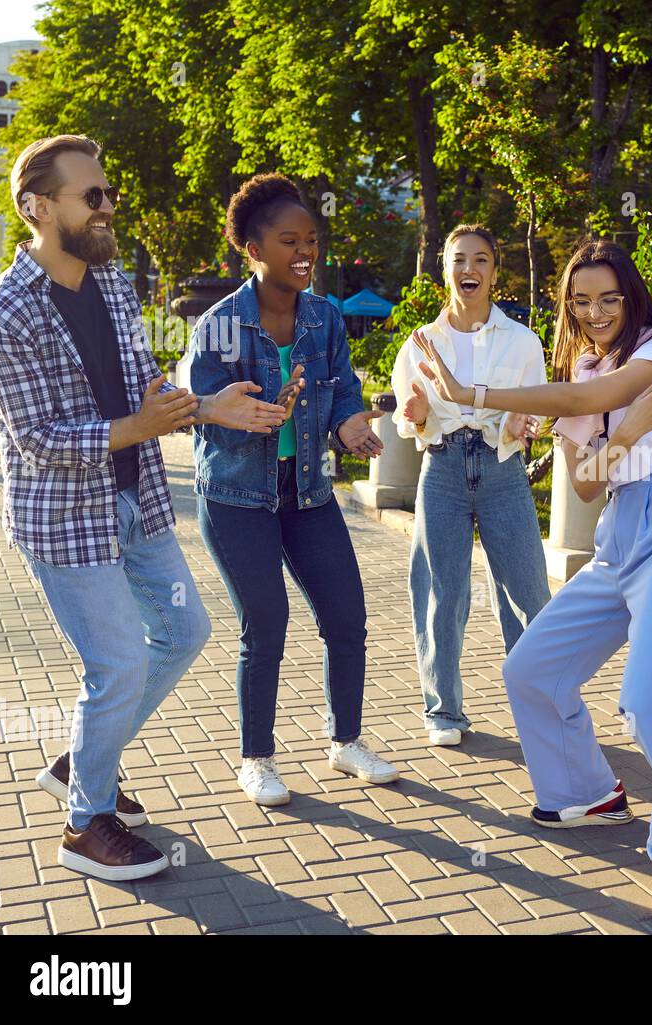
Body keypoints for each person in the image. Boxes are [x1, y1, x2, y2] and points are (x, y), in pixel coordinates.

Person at [0, 135, 291, 880]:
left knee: (185, 628)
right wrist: (138, 426)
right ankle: (85, 822)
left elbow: (144, 386)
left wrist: (206, 407)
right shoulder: (3, 312)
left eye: (108, 191)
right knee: (116, 661)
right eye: (92, 195)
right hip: (64, 518)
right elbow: (36, 441)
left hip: (136, 495)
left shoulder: (112, 282)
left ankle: (83, 758)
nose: (108, 205)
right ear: (37, 207)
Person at [415, 238, 652, 930]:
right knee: (531, 667)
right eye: (581, 301)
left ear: (632, 296)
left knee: (649, 702)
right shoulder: (585, 367)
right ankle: (589, 792)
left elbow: (592, 397)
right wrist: (625, 436)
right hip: (618, 532)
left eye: (608, 298)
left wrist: (473, 392)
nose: (595, 314)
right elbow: (590, 481)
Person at [185, 172, 399, 807]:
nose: (305, 251)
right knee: (267, 624)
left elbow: (343, 390)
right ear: (252, 250)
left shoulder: (325, 318)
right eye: (288, 241)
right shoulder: (219, 327)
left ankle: (345, 742)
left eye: (311, 239)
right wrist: (231, 413)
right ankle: (256, 759)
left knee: (347, 617)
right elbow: (191, 408)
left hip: (307, 493)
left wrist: (349, 426)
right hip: (236, 498)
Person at [392, 225, 550, 746]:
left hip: (501, 471)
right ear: (444, 269)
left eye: (481, 260)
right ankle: (443, 712)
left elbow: (537, 406)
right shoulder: (421, 343)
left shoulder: (523, 341)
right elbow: (406, 415)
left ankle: (539, 706)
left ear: (495, 272)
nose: (469, 270)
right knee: (443, 591)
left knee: (527, 592)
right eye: (459, 260)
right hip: (441, 471)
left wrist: (521, 423)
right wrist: (413, 417)